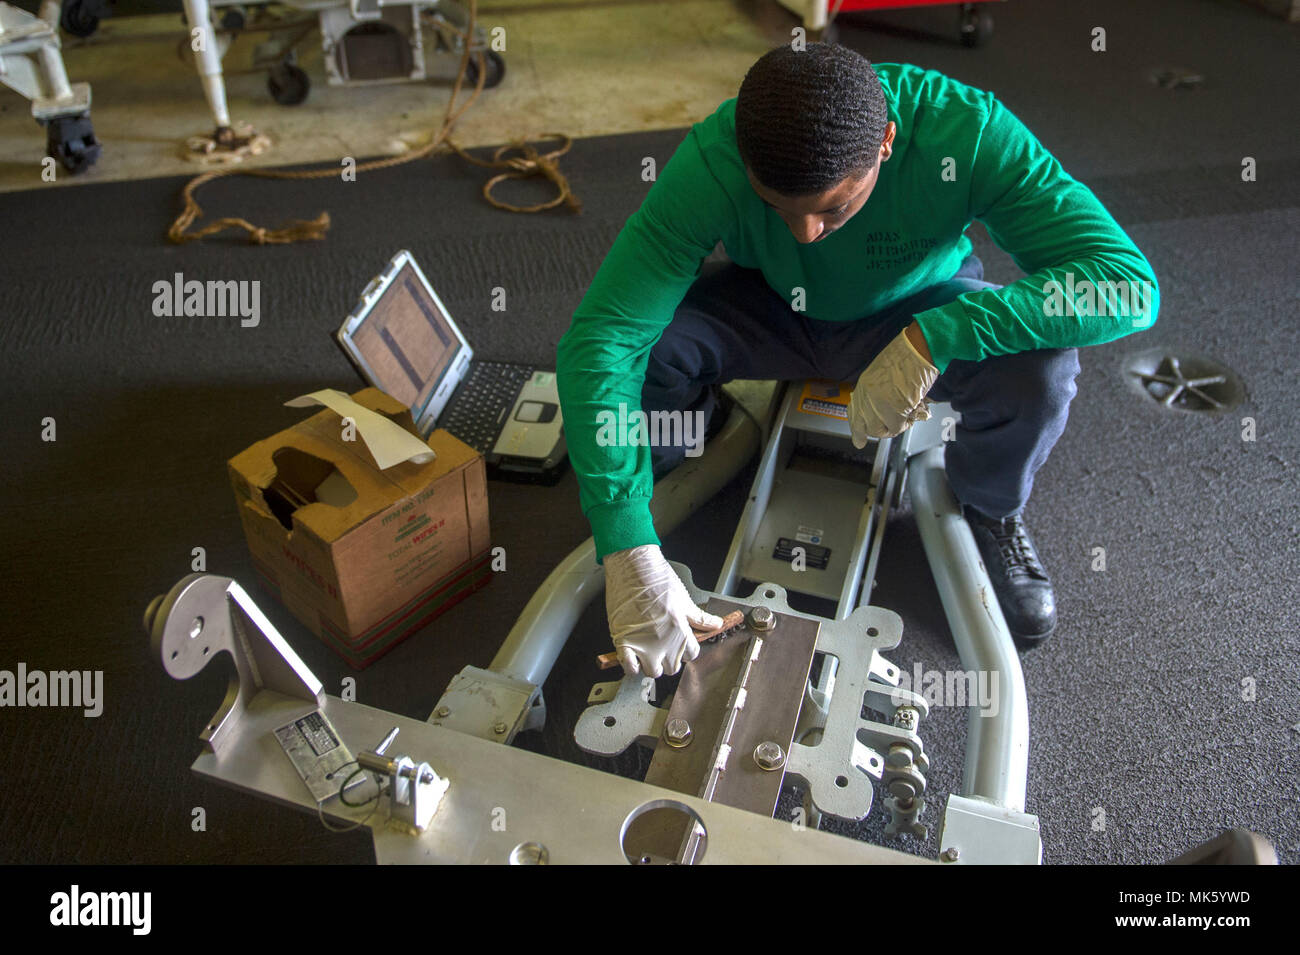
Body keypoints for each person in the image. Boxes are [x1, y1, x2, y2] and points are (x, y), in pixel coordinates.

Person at [556, 42, 1159, 677]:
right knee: (641, 358)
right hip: (773, 308)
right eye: (779, 208)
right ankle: (679, 448)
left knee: (1040, 375)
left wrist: (940, 334)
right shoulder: (715, 156)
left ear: (886, 144)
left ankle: (989, 504)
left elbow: (1124, 283)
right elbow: (604, 337)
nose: (805, 235)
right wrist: (625, 542)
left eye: (832, 207)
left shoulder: (965, 130)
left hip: (914, 308)